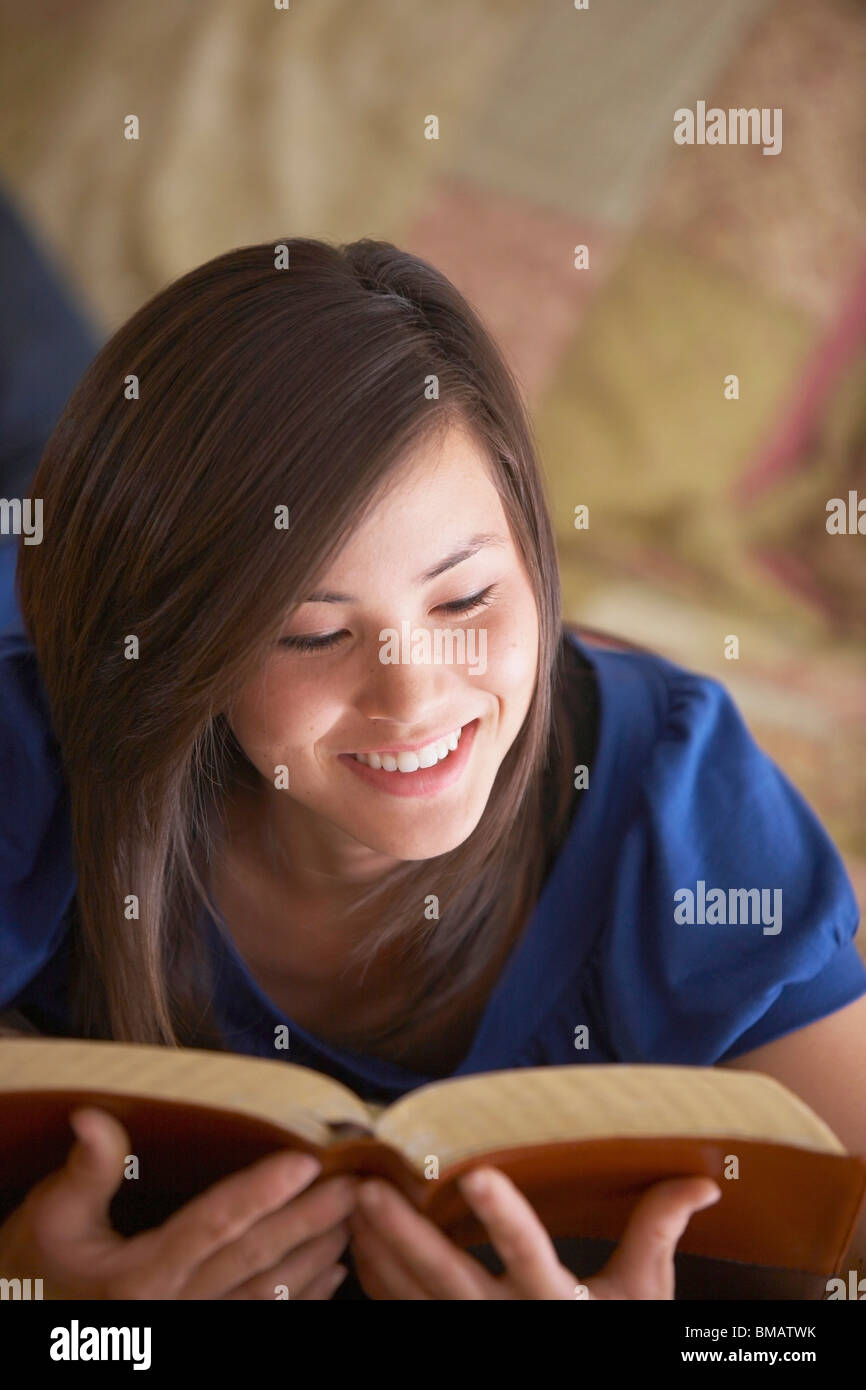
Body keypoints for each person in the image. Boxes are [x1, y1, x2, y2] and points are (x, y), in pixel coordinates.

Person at [1, 237, 865, 1301]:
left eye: (465, 599)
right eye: (314, 633)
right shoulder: (35, 755)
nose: (412, 699)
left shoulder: (678, 795)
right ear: (190, 650)